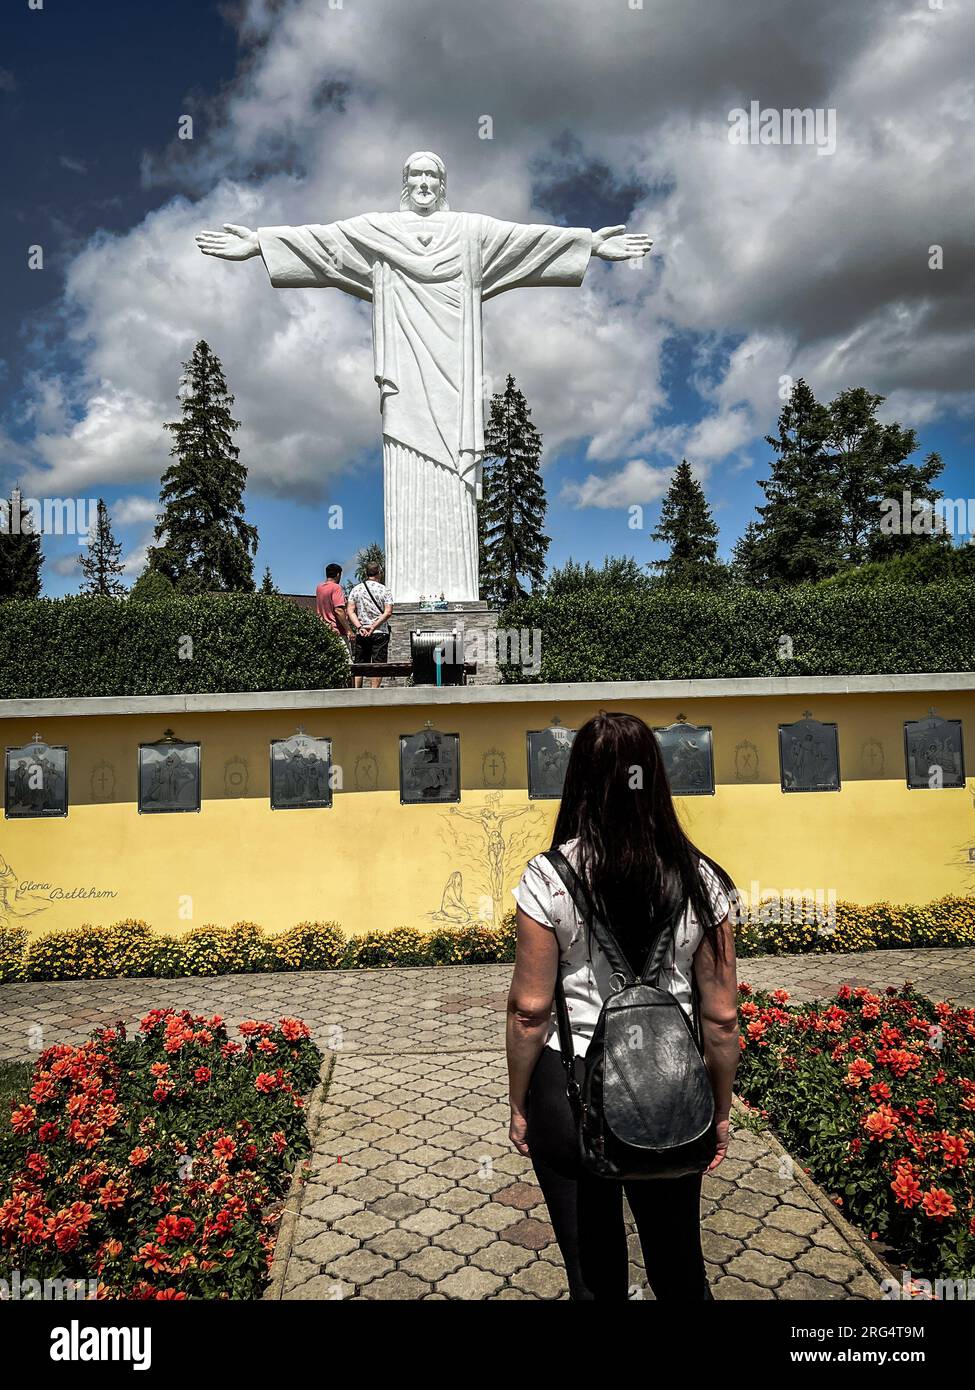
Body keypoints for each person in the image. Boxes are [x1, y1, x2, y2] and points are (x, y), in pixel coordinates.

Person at [505, 711, 739, 1301]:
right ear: (654, 777)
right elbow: (721, 1016)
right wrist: (720, 1110)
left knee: (592, 1276)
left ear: (579, 779)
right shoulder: (703, 878)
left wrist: (518, 1103)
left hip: (569, 1081)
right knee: (680, 1266)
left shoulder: (549, 877)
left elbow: (530, 1011)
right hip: (669, 1082)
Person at [347, 562, 394, 689]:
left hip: (361, 632)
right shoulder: (384, 590)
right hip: (380, 632)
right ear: (379, 572)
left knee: (360, 663)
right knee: (378, 664)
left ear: (366, 573)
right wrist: (374, 626)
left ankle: (357, 692)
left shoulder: (356, 589)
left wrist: (359, 627)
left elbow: (350, 610)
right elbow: (388, 612)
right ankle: (374, 693)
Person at [315, 564, 354, 665]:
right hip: (337, 632)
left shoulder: (319, 588)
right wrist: (349, 630)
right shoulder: (336, 588)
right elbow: (338, 610)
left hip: (324, 630)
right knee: (347, 665)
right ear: (338, 575)